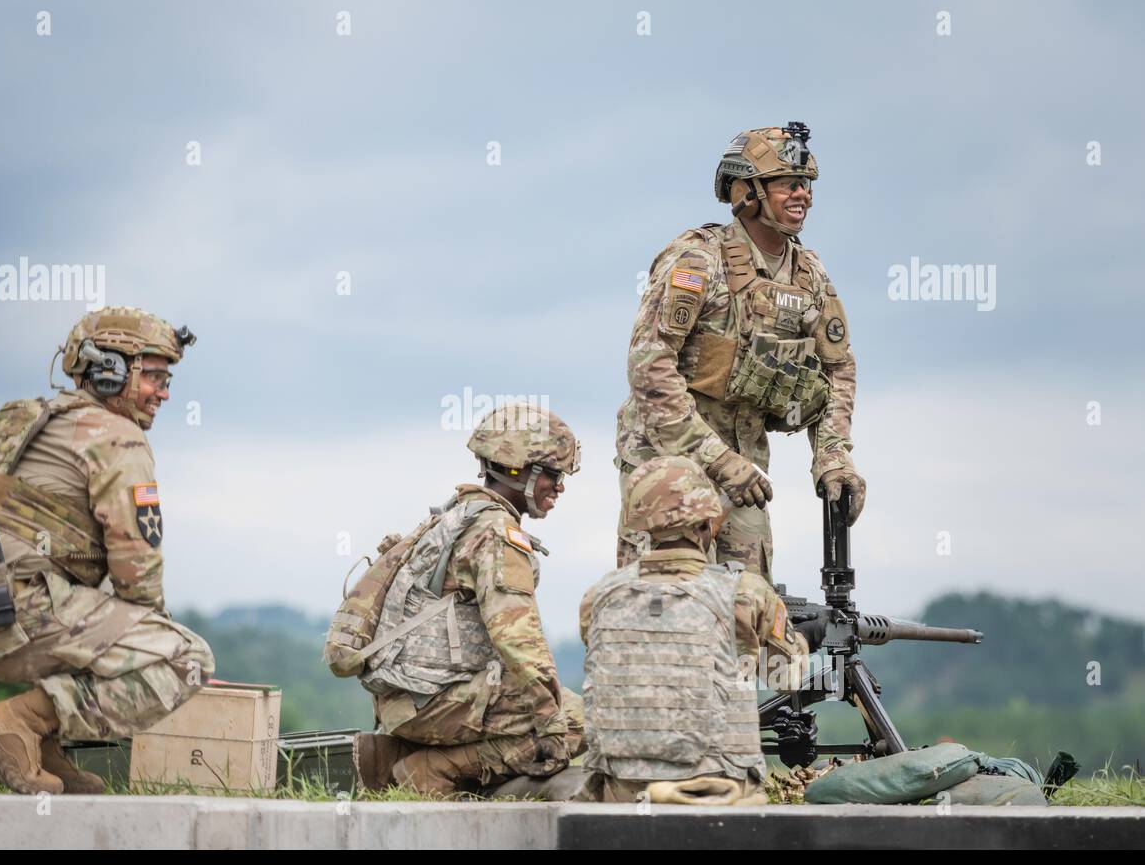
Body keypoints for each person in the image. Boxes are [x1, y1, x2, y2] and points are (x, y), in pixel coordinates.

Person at [0, 307, 214, 794]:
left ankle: (42, 748)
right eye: (156, 376)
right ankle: (23, 724)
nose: (164, 393)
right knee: (185, 658)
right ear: (112, 371)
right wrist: (150, 634)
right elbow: (137, 574)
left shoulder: (19, 425)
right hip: (3, 618)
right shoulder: (117, 436)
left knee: (91, 619)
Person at [615, 122, 864, 580]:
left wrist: (832, 455)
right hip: (667, 461)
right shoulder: (697, 260)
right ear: (746, 192)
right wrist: (717, 460)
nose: (802, 195)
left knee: (749, 605)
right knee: (672, 597)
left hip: (744, 468)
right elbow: (649, 367)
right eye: (787, 183)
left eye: (807, 185)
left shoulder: (808, 274)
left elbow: (839, 368)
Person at [344, 403, 584, 795]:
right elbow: (518, 640)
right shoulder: (496, 534)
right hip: (435, 703)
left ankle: (393, 756)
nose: (559, 487)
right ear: (517, 469)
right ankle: (430, 769)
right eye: (553, 475)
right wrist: (551, 720)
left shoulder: (453, 516)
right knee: (581, 717)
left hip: (407, 702)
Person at [578, 456, 808, 805]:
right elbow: (787, 679)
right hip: (716, 789)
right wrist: (803, 640)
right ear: (705, 526)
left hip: (621, 791)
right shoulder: (745, 592)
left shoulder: (600, 596)